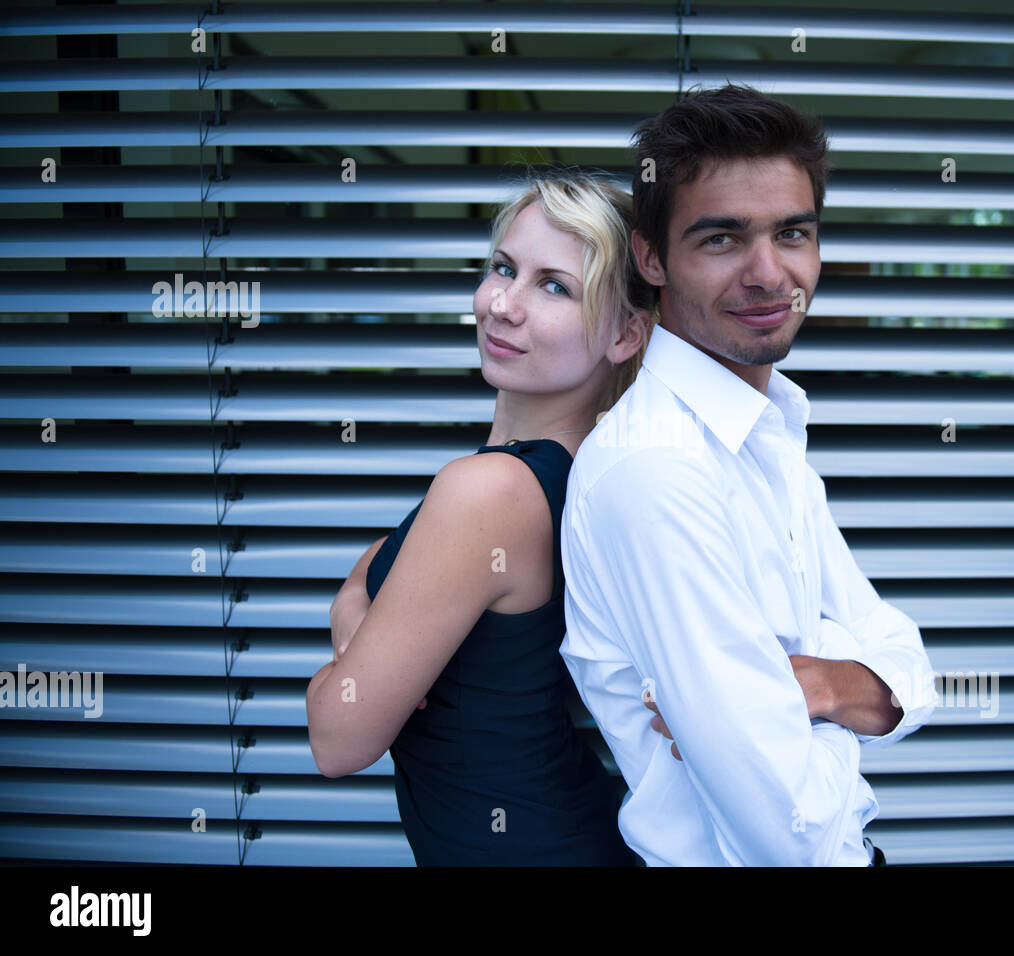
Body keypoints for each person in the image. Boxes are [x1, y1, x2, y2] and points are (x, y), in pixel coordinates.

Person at [559, 84, 940, 866]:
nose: (771, 274)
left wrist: (824, 688)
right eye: (723, 240)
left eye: (793, 233)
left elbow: (908, 661)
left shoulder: (765, 437)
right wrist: (846, 686)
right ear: (651, 257)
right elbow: (784, 830)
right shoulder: (658, 470)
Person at [307, 168, 653, 866]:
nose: (503, 303)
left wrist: (352, 615)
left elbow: (336, 738)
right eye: (503, 268)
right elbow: (400, 556)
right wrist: (367, 593)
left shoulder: (492, 490)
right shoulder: (568, 476)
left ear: (625, 335)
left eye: (553, 285)